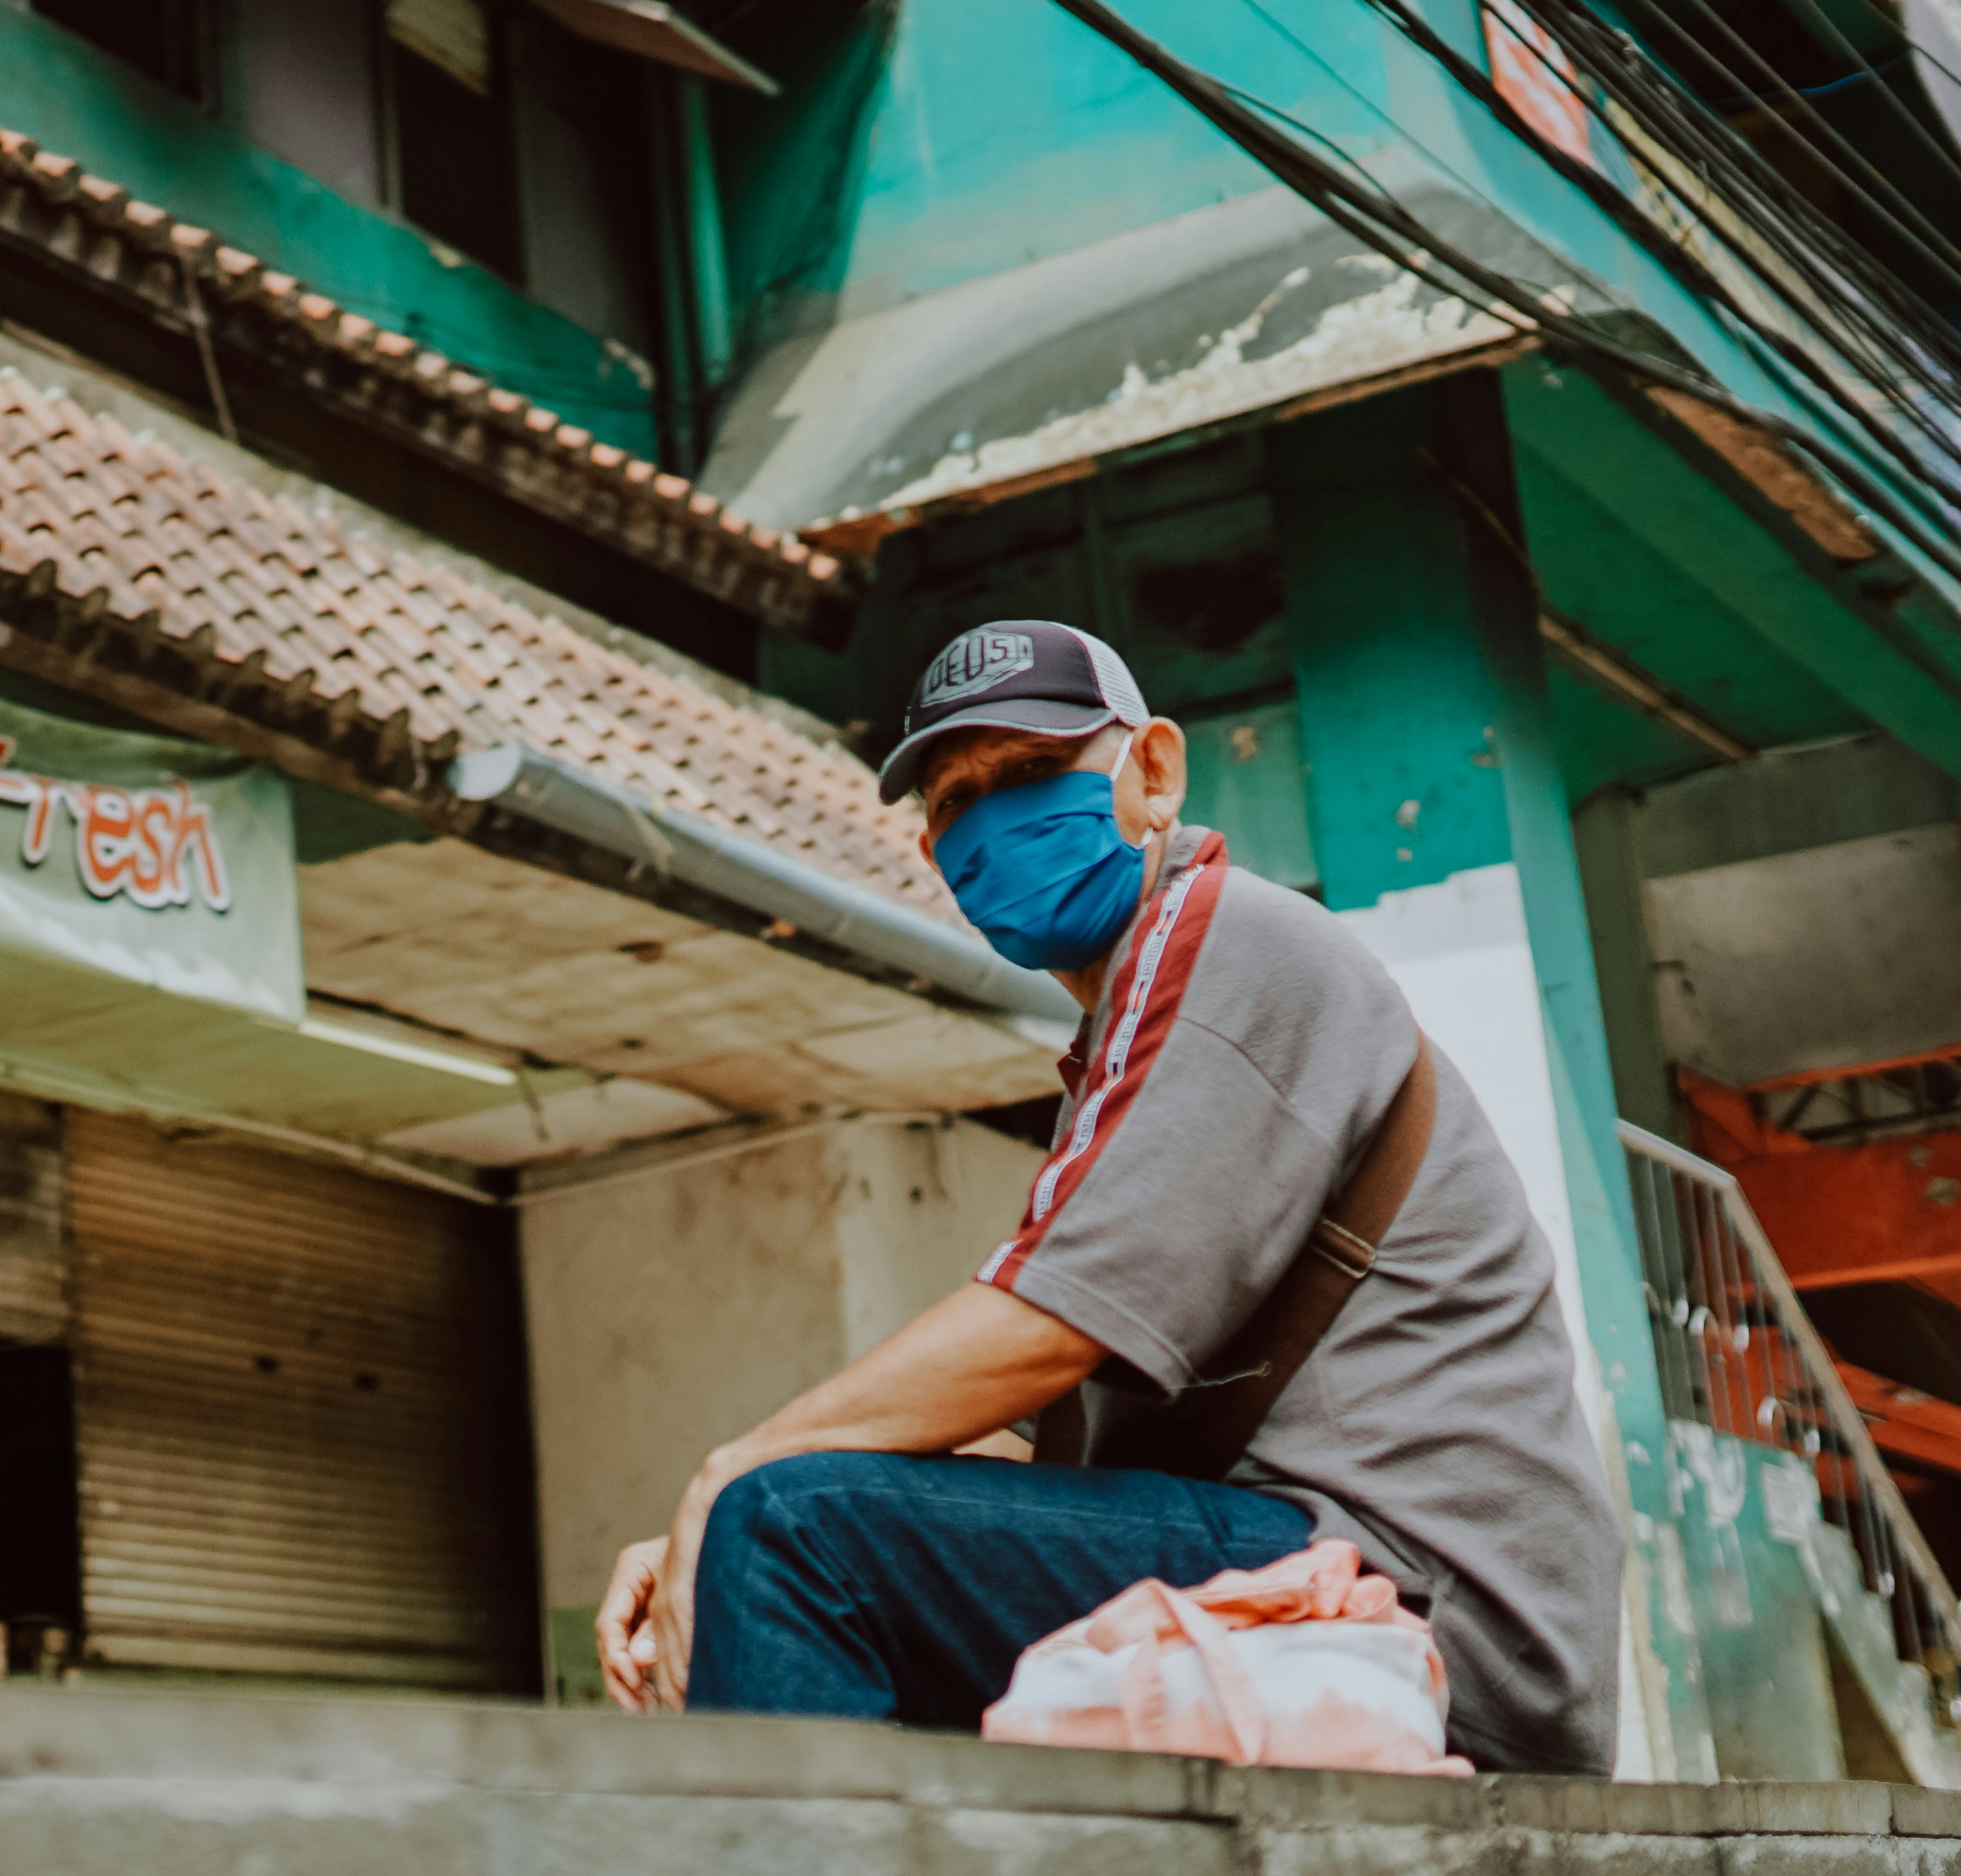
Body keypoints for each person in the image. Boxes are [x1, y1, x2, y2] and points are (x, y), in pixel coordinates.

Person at [590, 618, 1621, 1774]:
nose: (993, 820)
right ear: (935, 857)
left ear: (1155, 774)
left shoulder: (1234, 942)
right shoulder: (1121, 1051)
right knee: (805, 1539)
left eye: (1032, 773)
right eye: (955, 802)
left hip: (1427, 1601)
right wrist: (731, 1527)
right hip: (1339, 1571)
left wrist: (727, 1482)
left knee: (787, 1528)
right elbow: (1039, 1457)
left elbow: (1044, 1330)